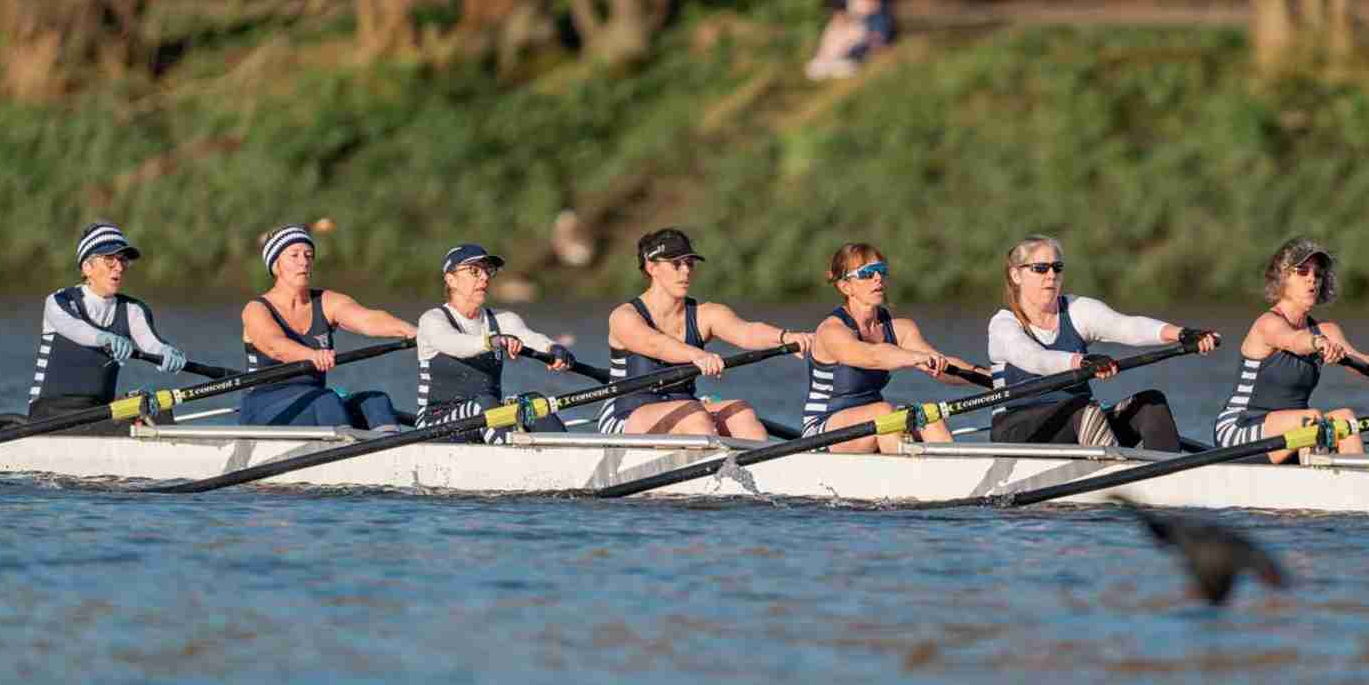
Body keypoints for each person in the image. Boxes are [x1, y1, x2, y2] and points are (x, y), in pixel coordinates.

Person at [989, 234, 1219, 451]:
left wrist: (1181, 333)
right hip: (1018, 430)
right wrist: (1082, 362)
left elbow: (1127, 327)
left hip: (1082, 422)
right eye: (1040, 268)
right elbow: (1035, 359)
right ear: (1016, 275)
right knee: (1083, 409)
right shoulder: (1003, 325)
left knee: (1150, 404)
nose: (1051, 275)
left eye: (1057, 268)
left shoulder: (1076, 309)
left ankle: (1168, 478)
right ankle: (1117, 478)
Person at [597, 228, 812, 437]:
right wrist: (697, 355)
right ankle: (716, 470)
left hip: (687, 409)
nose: (686, 271)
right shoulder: (624, 317)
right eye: (676, 264)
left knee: (742, 414)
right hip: (626, 414)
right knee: (695, 417)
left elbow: (746, 332)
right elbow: (656, 345)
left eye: (689, 263)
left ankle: (757, 470)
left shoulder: (705, 315)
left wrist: (785, 337)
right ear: (652, 267)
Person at [1213, 238, 1369, 462]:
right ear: (1283, 277)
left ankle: (1359, 482)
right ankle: (1316, 479)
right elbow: (1294, 340)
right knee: (1312, 419)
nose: (1312, 279)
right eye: (1302, 271)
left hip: (1296, 430)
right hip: (1239, 428)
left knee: (1346, 419)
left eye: (1317, 274)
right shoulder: (1267, 324)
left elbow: (1359, 362)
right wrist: (1318, 344)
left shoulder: (1326, 330)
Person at [4, 222, 193, 434]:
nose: (119, 267)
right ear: (87, 267)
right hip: (50, 413)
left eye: (122, 260)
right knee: (126, 423)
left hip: (99, 411)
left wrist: (165, 353)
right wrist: (104, 338)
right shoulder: (60, 301)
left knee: (155, 409)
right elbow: (76, 329)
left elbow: (152, 344)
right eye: (109, 259)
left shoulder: (132, 309)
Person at [803, 242, 982, 453]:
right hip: (822, 431)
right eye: (867, 273)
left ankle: (955, 479)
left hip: (877, 423)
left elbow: (942, 367)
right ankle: (904, 478)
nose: (878, 278)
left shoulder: (901, 329)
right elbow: (871, 356)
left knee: (929, 414)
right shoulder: (831, 330)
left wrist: (990, 377)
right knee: (884, 413)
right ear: (845, 286)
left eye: (881, 271)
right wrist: (914, 357)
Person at [238, 224, 416, 429]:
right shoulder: (256, 309)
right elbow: (274, 345)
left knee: (376, 402)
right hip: (263, 408)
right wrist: (311, 355)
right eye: (294, 256)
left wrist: (412, 331)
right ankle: (346, 453)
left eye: (308, 255)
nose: (303, 262)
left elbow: (369, 319)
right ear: (276, 266)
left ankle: (390, 453)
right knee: (327, 401)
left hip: (314, 401)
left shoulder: (326, 301)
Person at [416, 243, 574, 442]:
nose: (484, 277)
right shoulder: (432, 320)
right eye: (474, 271)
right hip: (435, 424)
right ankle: (515, 462)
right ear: (451, 279)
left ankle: (571, 461)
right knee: (484, 404)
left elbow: (529, 337)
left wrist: (553, 349)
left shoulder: (503, 319)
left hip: (488, 416)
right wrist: (492, 341)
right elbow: (454, 344)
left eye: (487, 271)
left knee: (533, 403)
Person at [806, 0, 896, 80]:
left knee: (853, 37)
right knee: (834, 34)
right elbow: (839, 4)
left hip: (864, 23)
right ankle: (825, 60)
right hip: (849, 20)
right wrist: (840, 14)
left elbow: (877, 9)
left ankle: (845, 60)